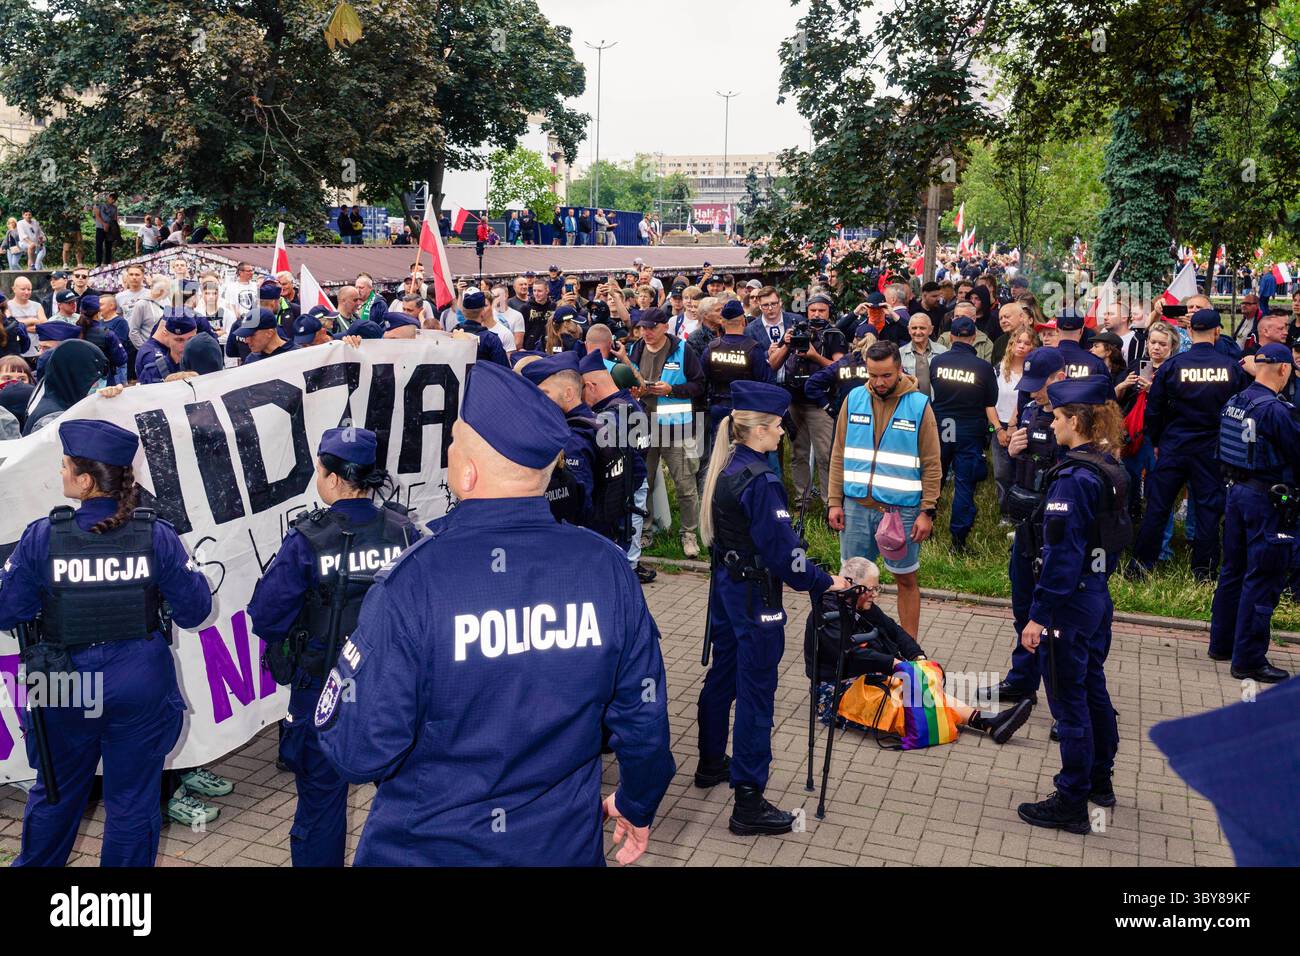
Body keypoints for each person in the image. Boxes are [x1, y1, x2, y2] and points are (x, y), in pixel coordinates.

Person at [316, 361, 675, 865]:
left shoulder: (414, 583)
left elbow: (357, 750)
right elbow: (645, 720)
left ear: (466, 471)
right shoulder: (606, 568)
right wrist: (637, 802)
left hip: (429, 850)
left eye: (454, 442)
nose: (447, 453)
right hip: (561, 847)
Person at [0, 419, 212, 866]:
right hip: (139, 677)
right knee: (133, 804)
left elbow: (6, 610)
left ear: (84, 480)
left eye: (63, 467)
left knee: (55, 793)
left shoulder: (42, 536)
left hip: (60, 682)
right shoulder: (157, 535)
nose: (59, 474)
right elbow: (194, 610)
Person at [247, 428, 419, 866]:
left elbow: (266, 615)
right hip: (392, 687)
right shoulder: (404, 532)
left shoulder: (307, 538)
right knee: (403, 796)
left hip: (323, 689)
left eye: (319, 470)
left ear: (334, 477)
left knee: (321, 804)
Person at [696, 380, 850, 835]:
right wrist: (827, 581)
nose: (783, 432)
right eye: (779, 426)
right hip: (756, 596)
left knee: (723, 674)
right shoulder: (762, 480)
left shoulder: (728, 464)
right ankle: (748, 801)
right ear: (759, 429)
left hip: (727, 588)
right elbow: (786, 555)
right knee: (757, 693)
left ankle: (709, 761)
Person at [1017, 377, 1130, 834]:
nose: (1051, 422)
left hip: (1067, 602)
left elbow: (1062, 556)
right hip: (1096, 596)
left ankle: (1071, 799)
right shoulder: (1109, 467)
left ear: (1077, 421)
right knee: (1093, 689)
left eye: (1058, 417)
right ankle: (1100, 781)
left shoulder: (1073, 479)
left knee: (1070, 702)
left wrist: (1039, 614)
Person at [807, 556, 1033, 743]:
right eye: (871, 589)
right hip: (835, 693)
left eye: (877, 589)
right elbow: (850, 654)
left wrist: (918, 656)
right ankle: (987, 721)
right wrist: (894, 664)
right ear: (850, 584)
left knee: (922, 691)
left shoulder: (862, 604)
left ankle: (988, 721)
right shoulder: (827, 614)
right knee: (912, 706)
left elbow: (894, 631)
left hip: (868, 678)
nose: (875, 595)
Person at [827, 340, 941, 640]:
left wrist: (927, 511)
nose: (879, 382)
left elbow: (932, 463)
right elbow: (838, 453)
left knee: (906, 579)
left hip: (901, 511)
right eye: (873, 375)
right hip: (855, 507)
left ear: (899, 369)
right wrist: (833, 502)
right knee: (851, 580)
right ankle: (850, 641)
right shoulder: (853, 399)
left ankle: (909, 647)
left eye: (886, 376)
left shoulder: (918, 405)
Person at [1129, 308, 1248, 579]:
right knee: (1208, 509)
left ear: (1190, 331)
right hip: (1211, 449)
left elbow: (1154, 410)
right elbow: (1238, 411)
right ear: (1217, 332)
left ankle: (1140, 567)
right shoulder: (1230, 367)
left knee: (1158, 507)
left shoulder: (1173, 366)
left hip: (1174, 445)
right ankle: (1204, 571)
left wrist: (1157, 441)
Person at [982, 347, 1069, 709]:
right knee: (1023, 606)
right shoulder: (1032, 410)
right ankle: (1022, 680)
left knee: (1053, 618)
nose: (1032, 391)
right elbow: (1020, 469)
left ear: (1060, 377)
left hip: (1058, 527)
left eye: (1040, 385)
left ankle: (1065, 700)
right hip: (1027, 523)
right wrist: (1014, 449)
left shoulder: (1075, 416)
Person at [1206, 344, 1299, 683]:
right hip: (1267, 503)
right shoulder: (1275, 410)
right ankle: (1249, 659)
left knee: (1233, 572)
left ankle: (1222, 643)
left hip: (1237, 494)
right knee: (1262, 579)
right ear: (1284, 370)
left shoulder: (1236, 401)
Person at [627, 307, 706, 558]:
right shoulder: (635, 349)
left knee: (685, 484)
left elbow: (699, 385)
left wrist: (671, 389)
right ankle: (646, 529)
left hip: (676, 428)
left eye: (651, 328)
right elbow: (628, 381)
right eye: (642, 327)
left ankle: (689, 534)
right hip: (643, 426)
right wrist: (634, 392)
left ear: (664, 327)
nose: (646, 332)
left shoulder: (683, 350)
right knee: (643, 482)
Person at [580, 348, 655, 583]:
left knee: (624, 559)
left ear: (591, 385)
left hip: (624, 494)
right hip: (633, 487)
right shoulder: (630, 403)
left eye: (582, 389)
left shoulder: (614, 413)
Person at [929, 315, 1001, 552]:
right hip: (969, 430)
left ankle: (925, 525)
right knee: (964, 484)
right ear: (973, 338)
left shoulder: (937, 362)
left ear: (951, 337)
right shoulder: (983, 367)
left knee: (933, 480)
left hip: (940, 428)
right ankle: (958, 541)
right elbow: (991, 400)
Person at [768, 293, 847, 505]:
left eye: (821, 310)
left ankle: (831, 502)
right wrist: (786, 344)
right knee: (798, 453)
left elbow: (841, 369)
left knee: (825, 456)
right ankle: (802, 498)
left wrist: (814, 356)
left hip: (821, 403)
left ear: (830, 311)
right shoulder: (796, 332)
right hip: (794, 401)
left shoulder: (834, 335)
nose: (817, 314)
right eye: (813, 310)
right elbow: (773, 365)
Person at [23, 340, 111, 435]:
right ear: (76, 377)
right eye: (94, 380)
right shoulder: (54, 419)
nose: (98, 385)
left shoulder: (51, 396)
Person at [1053, 308, 1110, 378]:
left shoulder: (1043, 358)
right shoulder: (1096, 363)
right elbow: (1107, 388)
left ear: (1056, 329)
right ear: (1082, 330)